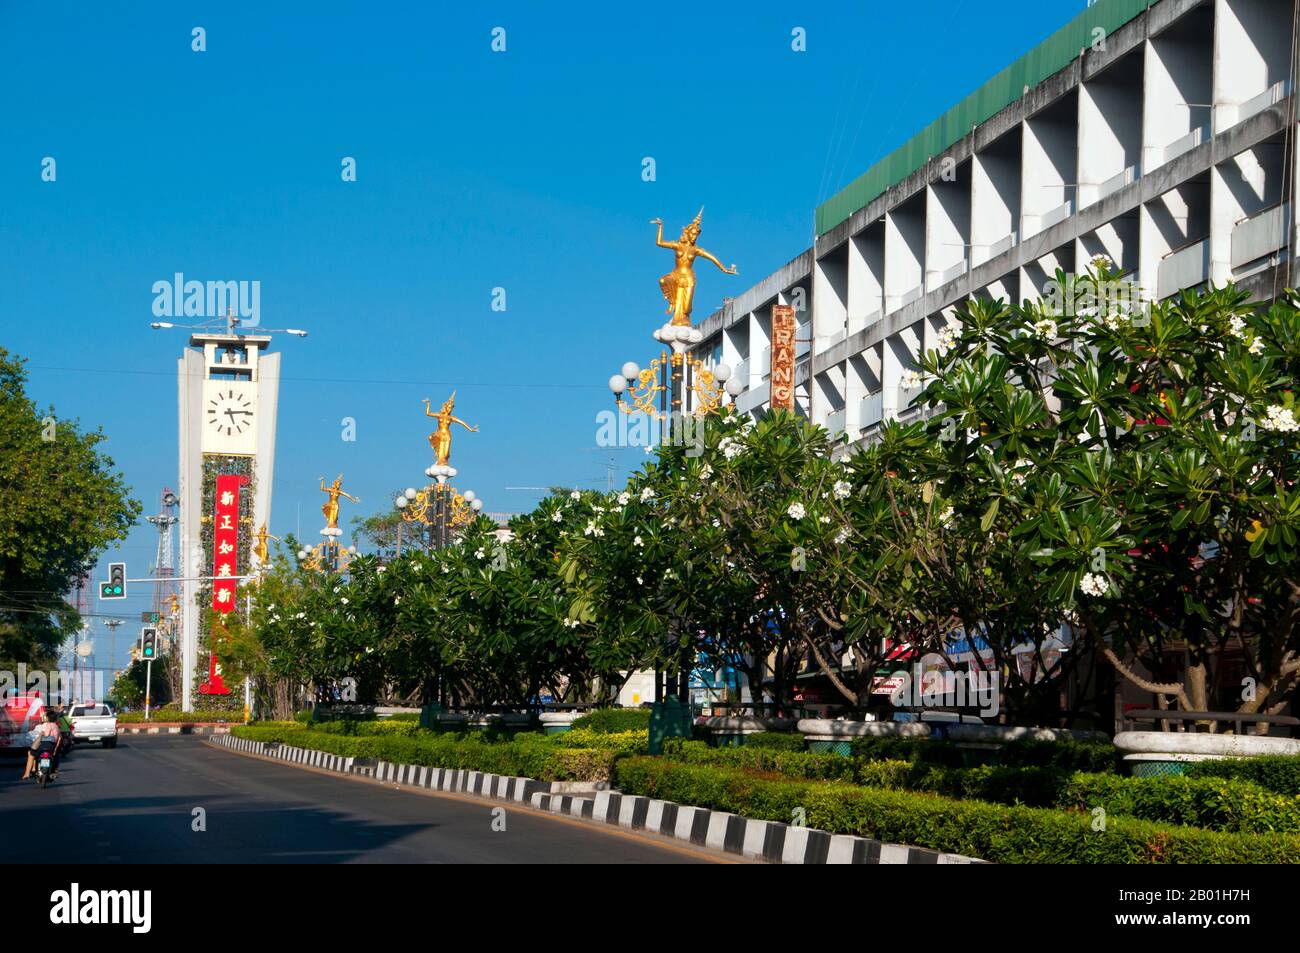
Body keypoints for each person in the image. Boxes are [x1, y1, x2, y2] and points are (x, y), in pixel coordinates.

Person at [21, 709, 61, 780]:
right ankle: (54, 771)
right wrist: (55, 749)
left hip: (45, 745)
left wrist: (42, 733)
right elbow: (59, 739)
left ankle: (27, 773)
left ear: (47, 718)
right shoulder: (57, 727)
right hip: (52, 747)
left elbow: (46, 735)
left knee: (31, 754)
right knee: (56, 757)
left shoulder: (49, 725)